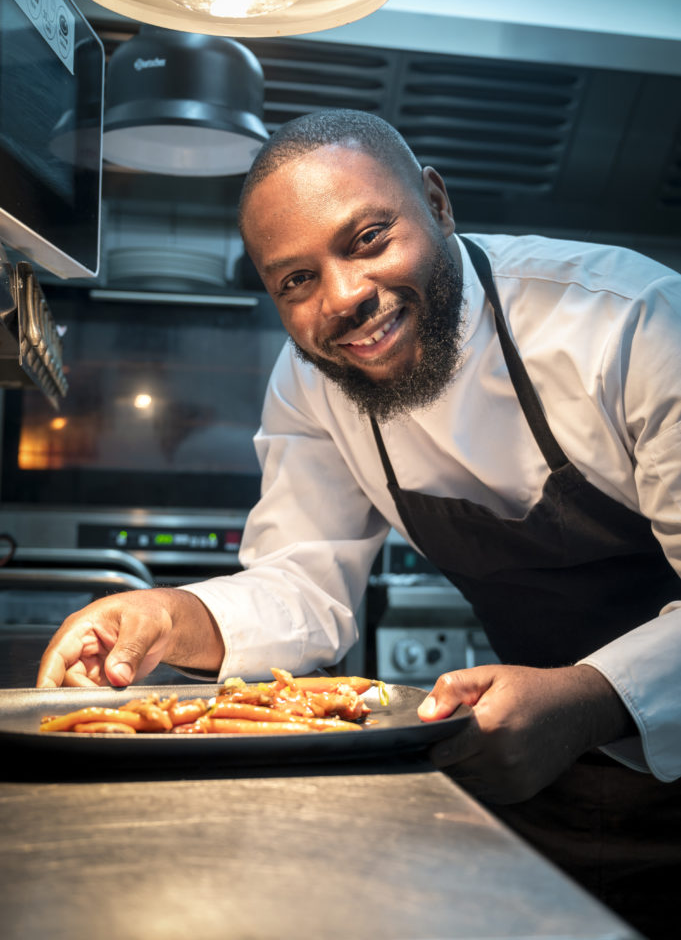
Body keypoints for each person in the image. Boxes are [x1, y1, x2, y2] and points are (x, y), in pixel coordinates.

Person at [38, 109, 681, 937]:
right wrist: (170, 615)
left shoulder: (630, 322)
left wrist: (590, 698)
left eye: (369, 239)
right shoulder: (314, 380)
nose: (343, 300)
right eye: (295, 281)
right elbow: (305, 582)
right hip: (531, 785)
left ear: (437, 205)